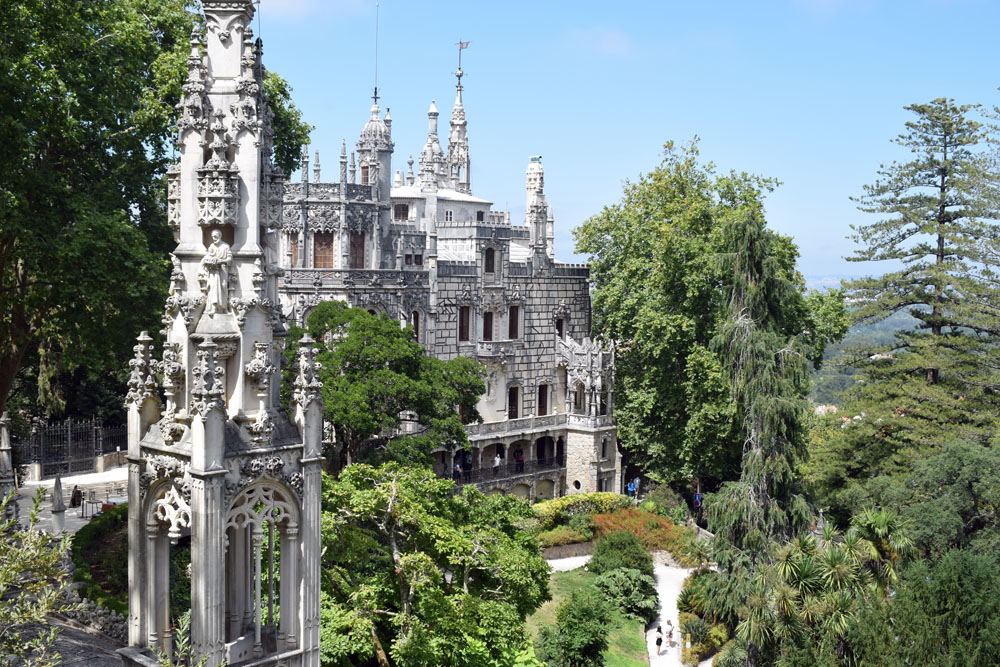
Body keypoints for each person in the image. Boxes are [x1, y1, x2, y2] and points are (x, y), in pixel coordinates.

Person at [201, 229, 232, 313]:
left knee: (223, 287)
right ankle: (214, 307)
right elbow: (207, 257)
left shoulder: (225, 246)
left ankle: (224, 307)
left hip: (223, 270)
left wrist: (221, 261)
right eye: (212, 237)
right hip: (213, 271)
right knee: (213, 287)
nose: (213, 238)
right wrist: (211, 260)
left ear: (220, 236)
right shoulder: (212, 246)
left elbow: (229, 259)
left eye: (215, 236)